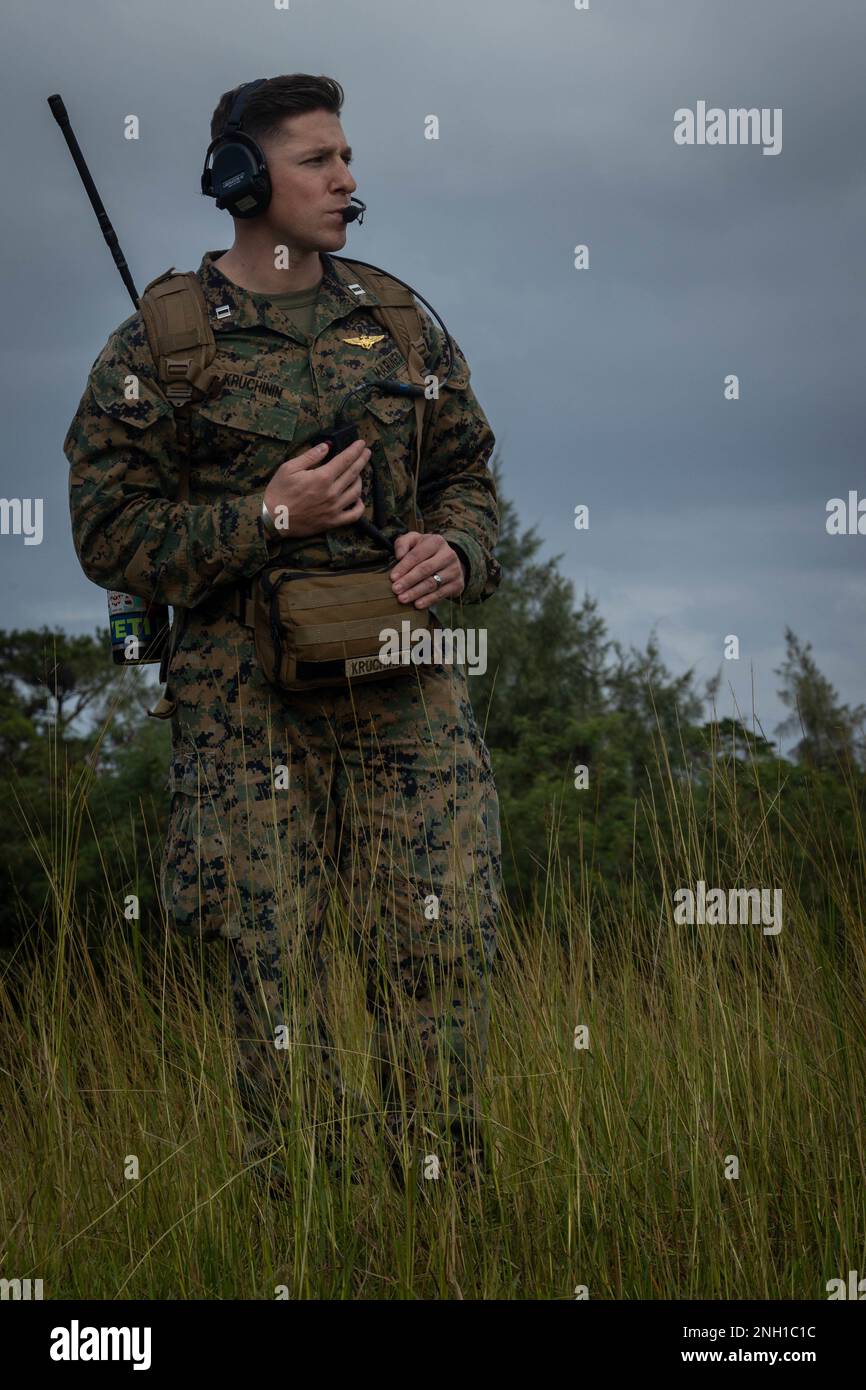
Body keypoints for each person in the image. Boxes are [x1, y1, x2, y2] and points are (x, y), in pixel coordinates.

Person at [64, 73, 502, 1193]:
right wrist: (265, 517)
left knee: (439, 958)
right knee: (276, 987)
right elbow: (108, 532)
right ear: (240, 179)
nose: (347, 180)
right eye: (318, 160)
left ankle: (445, 1225)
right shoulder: (159, 342)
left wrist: (455, 551)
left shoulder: (397, 320)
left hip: (406, 693)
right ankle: (308, 1239)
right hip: (243, 718)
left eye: (347, 157)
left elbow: (467, 473)